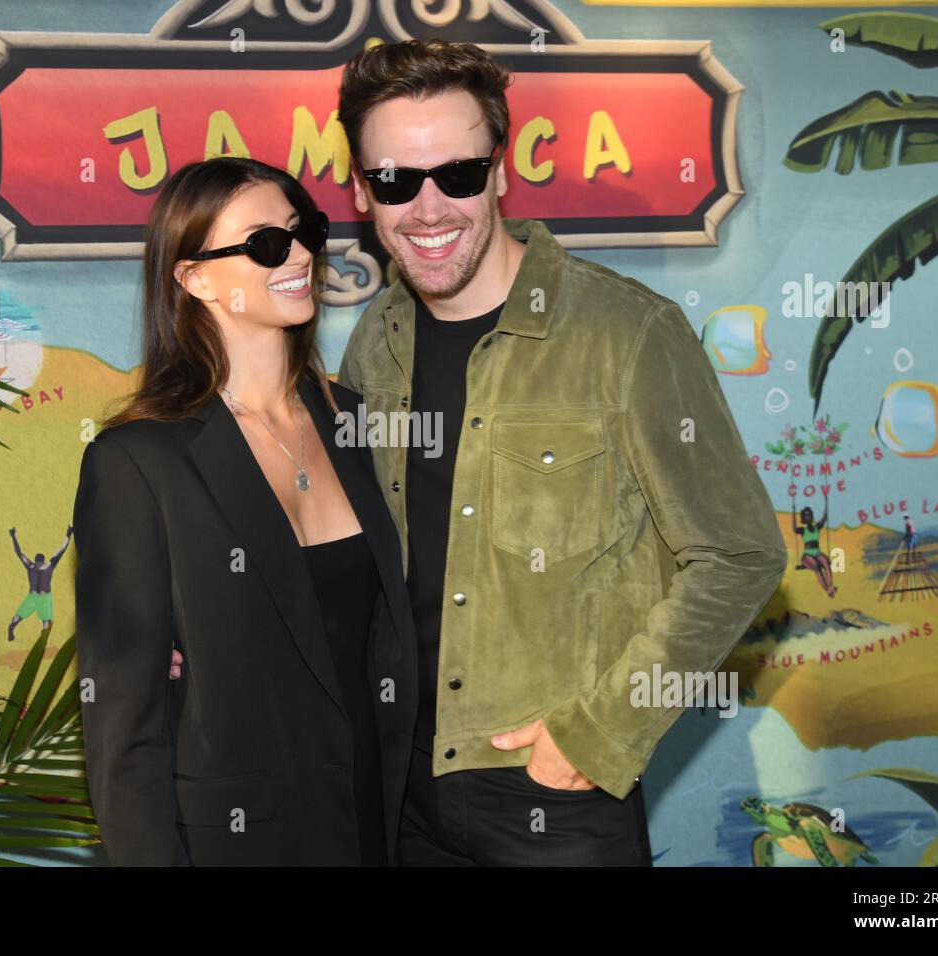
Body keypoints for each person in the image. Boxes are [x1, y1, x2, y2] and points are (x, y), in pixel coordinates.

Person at [336, 39, 787, 865]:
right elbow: (355, 551)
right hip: (401, 788)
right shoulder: (376, 341)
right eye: (397, 180)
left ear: (501, 171)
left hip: (552, 798)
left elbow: (740, 553)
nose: (428, 209)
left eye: (459, 175)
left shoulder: (626, 334)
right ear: (364, 192)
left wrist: (593, 738)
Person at [72, 157, 417, 865]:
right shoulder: (139, 461)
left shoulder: (352, 421)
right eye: (264, 243)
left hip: (377, 825)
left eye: (304, 232)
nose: (297, 256)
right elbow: (123, 731)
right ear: (194, 278)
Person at [792, 496, 836, 597]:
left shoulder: (817, 527)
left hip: (817, 553)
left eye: (810, 515)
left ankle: (830, 586)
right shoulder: (803, 530)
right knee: (816, 567)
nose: (808, 517)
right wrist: (794, 511)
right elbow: (794, 528)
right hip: (807, 555)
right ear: (803, 518)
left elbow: (824, 517)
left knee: (826, 562)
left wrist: (826, 502)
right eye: (806, 516)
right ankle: (827, 590)